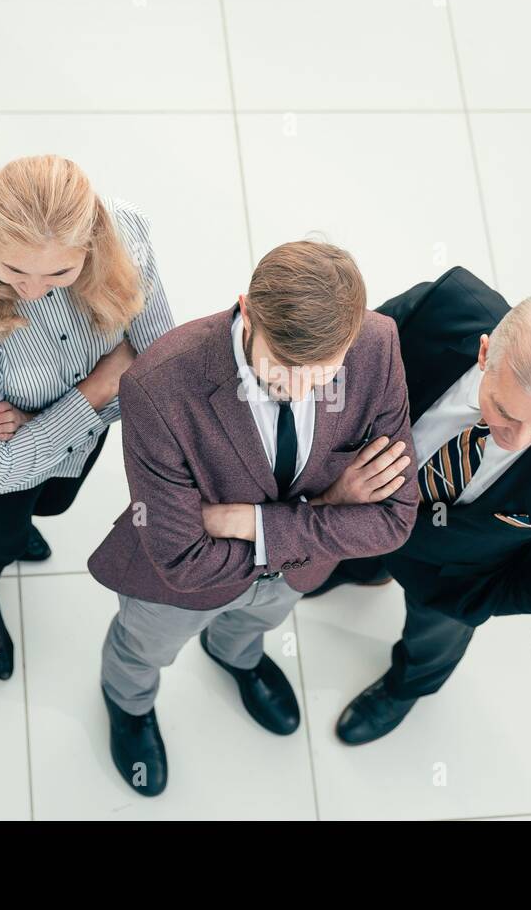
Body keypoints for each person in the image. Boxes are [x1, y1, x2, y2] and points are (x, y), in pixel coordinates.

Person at [88, 241, 420, 796]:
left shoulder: (376, 344)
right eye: (283, 369)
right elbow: (182, 560)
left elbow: (393, 520)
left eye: (321, 376)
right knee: (141, 649)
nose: (296, 391)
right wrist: (333, 509)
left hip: (295, 573)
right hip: (176, 590)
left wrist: (261, 524)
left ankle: (233, 655)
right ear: (247, 311)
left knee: (255, 623)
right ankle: (129, 704)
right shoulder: (159, 386)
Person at [310, 270, 531, 744]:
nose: (517, 438)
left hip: (454, 579)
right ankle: (365, 569)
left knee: (431, 644)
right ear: (485, 353)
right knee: (360, 554)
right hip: (363, 506)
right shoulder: (441, 307)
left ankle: (406, 688)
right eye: (504, 411)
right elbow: (344, 368)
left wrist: (485, 596)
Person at [0, 155, 174, 680]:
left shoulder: (124, 230)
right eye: (14, 270)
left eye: (60, 271)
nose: (34, 289)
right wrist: (100, 386)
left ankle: (19, 534)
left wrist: (39, 420)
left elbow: (158, 368)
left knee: (54, 503)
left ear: (91, 244)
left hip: (76, 448)